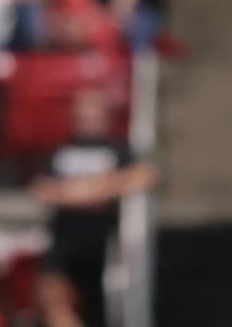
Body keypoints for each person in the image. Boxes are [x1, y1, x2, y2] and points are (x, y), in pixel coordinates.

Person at [33, 92, 156, 327]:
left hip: (101, 248)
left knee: (97, 311)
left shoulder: (118, 149)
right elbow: (42, 188)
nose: (87, 118)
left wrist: (101, 188)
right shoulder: (60, 150)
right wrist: (80, 193)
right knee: (54, 300)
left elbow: (145, 176)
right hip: (64, 246)